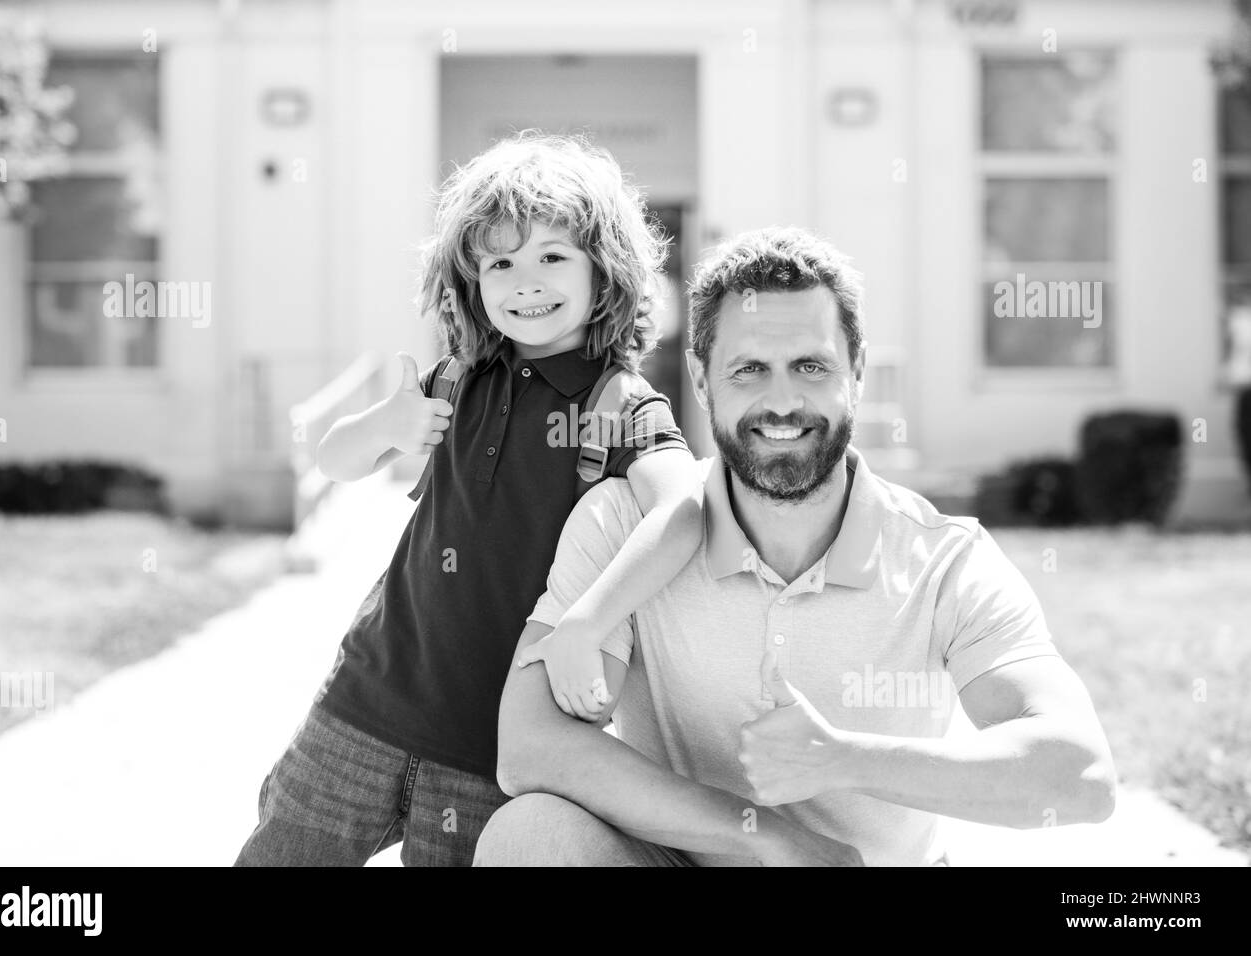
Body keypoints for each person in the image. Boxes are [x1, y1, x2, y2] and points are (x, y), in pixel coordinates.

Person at [477, 226, 1117, 866]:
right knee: (529, 835)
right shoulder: (627, 522)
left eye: (810, 367)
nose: (782, 403)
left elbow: (1080, 777)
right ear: (701, 381)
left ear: (857, 372)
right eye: (750, 370)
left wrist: (842, 759)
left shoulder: (946, 560)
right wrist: (770, 836)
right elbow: (532, 743)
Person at [235, 133, 703, 867]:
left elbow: (685, 515)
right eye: (501, 263)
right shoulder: (455, 379)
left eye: (554, 256)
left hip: (490, 758)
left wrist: (589, 622)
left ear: (605, 274)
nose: (526, 282)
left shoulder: (625, 406)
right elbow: (332, 459)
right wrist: (383, 426)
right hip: (362, 708)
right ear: (471, 280)